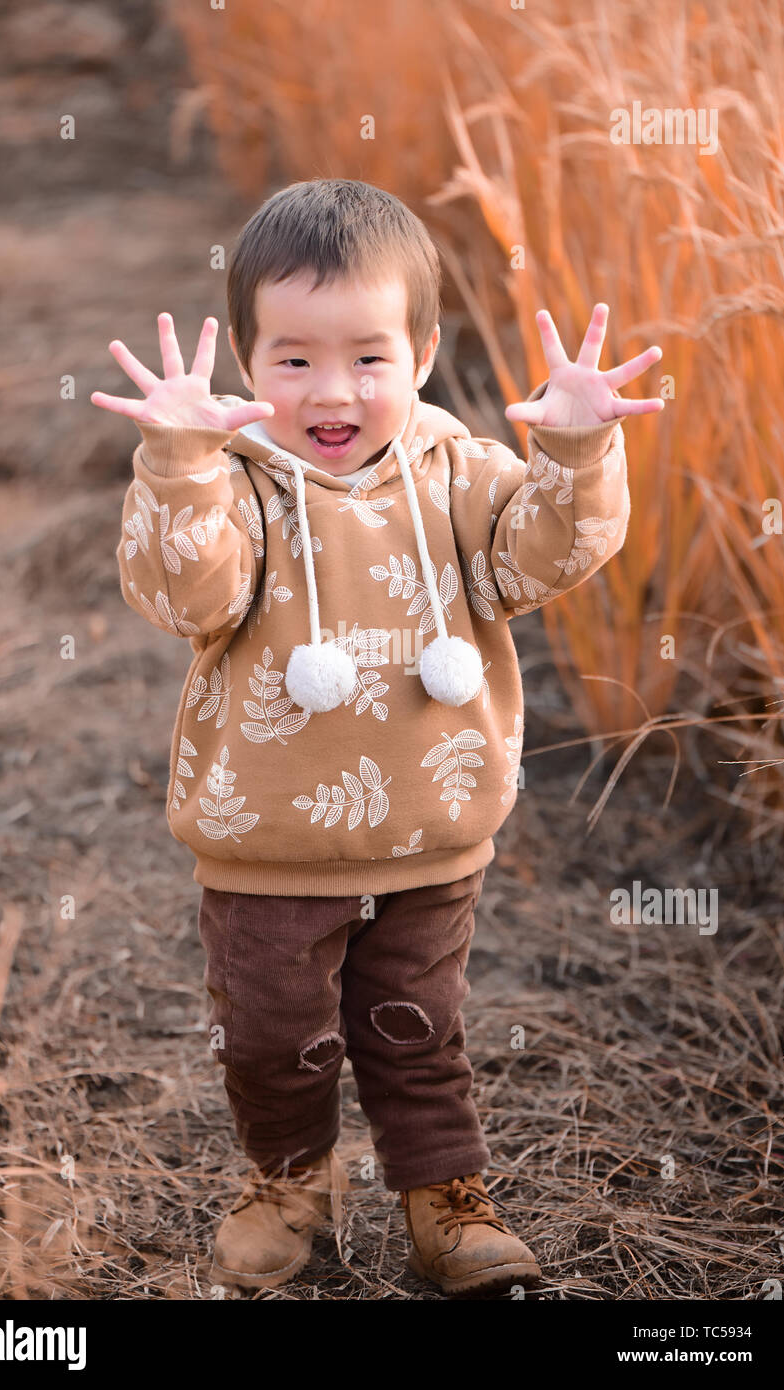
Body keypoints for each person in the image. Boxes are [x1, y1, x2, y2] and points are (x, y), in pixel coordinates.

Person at [92, 178, 663, 1297]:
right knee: (270, 1039)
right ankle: (290, 1182)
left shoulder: (457, 474)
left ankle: (444, 1198)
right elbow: (185, 594)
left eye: (369, 355)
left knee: (417, 1028)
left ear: (425, 350)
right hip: (268, 846)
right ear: (247, 366)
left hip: (430, 838)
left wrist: (581, 449)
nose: (333, 390)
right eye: (293, 359)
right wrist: (175, 461)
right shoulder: (238, 485)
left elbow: (540, 556)